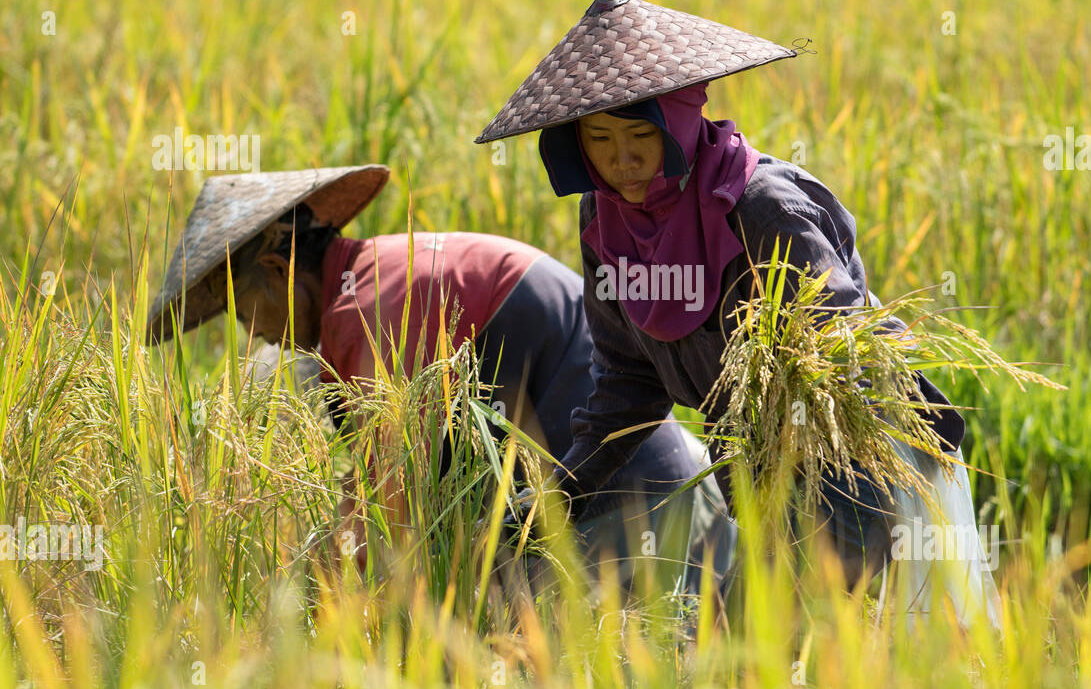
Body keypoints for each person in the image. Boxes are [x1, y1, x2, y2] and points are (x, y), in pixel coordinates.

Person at [476, 0, 1000, 626]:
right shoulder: (607, 225)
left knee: (778, 648)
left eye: (642, 135)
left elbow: (844, 353)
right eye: (600, 140)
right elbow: (626, 384)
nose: (622, 162)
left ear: (680, 122)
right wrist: (561, 493)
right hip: (753, 469)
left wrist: (796, 447)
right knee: (759, 651)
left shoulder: (760, 208)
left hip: (850, 455)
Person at [145, 165, 735, 596]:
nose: (259, 338)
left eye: (248, 315)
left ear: (277, 271)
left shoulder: (371, 317)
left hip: (640, 518)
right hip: (667, 497)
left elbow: (398, 518)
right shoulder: (379, 277)